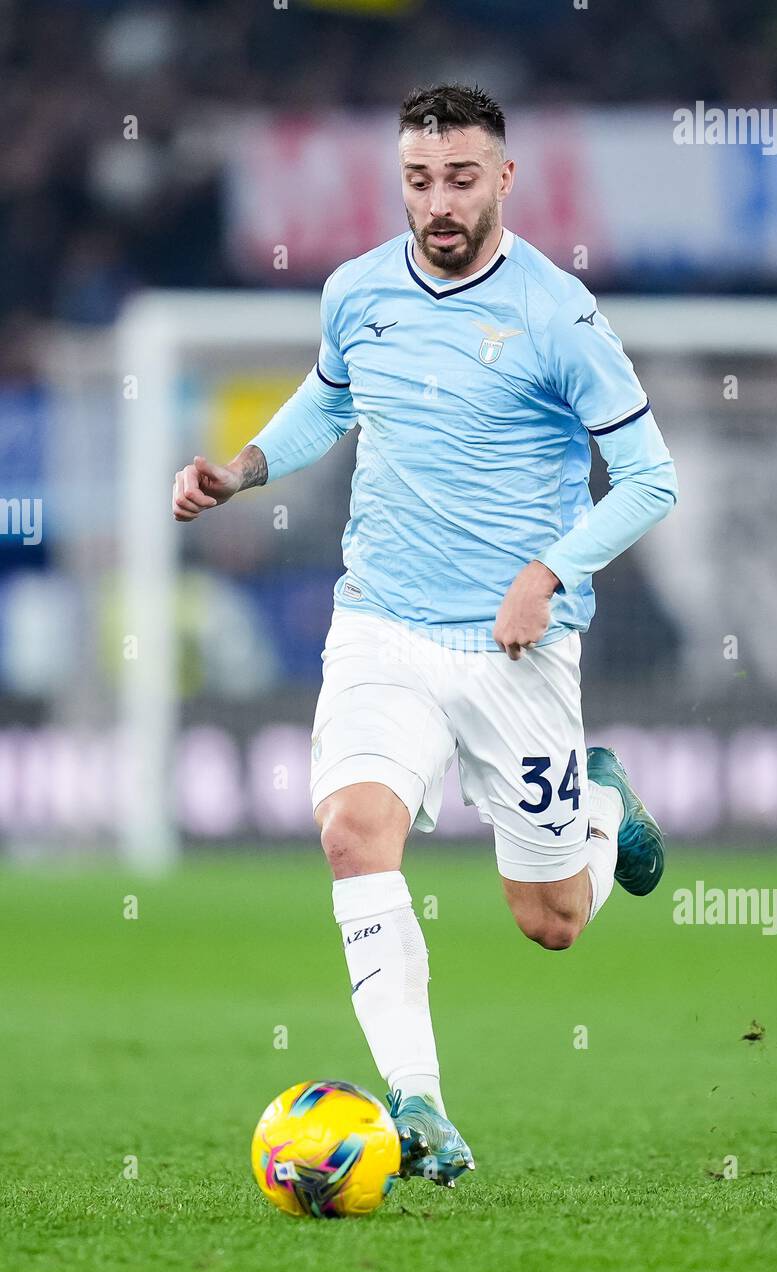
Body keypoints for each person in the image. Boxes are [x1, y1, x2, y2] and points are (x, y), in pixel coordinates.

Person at [172, 83, 679, 1189]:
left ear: (504, 178)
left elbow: (651, 478)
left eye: (459, 179)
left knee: (550, 922)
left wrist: (549, 572)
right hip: (381, 626)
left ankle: (598, 803)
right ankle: (421, 1104)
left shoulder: (560, 314)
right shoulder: (357, 292)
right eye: (417, 180)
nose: (437, 203)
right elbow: (329, 398)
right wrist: (243, 469)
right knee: (353, 833)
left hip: (516, 651)